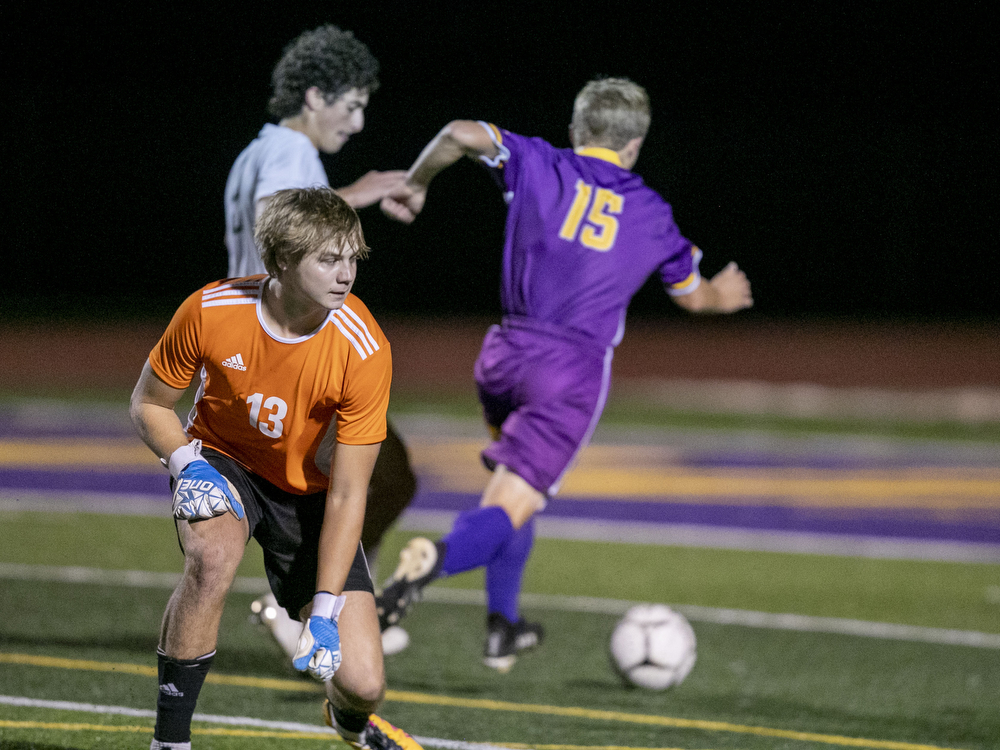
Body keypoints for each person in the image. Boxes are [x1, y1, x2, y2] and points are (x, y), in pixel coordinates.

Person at [377, 77, 754, 671]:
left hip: (502, 354)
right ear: (634, 146)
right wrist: (724, 296)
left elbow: (456, 134)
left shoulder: (537, 161)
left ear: (577, 130)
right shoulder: (653, 212)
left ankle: (503, 624)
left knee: (513, 494)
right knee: (515, 500)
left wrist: (417, 184)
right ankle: (431, 562)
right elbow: (692, 296)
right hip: (570, 371)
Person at [131, 187, 422, 750]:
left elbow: (347, 494)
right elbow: (148, 403)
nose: (346, 275)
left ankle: (347, 723)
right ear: (281, 261)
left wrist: (325, 612)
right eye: (328, 259)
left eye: (352, 259)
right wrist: (186, 462)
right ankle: (170, 742)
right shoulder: (211, 310)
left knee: (363, 683)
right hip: (223, 461)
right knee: (211, 558)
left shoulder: (364, 348)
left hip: (312, 496)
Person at [224, 23, 416, 657]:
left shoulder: (262, 148)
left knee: (381, 475)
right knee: (370, 476)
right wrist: (368, 188)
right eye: (351, 105)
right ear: (314, 97)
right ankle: (311, 609)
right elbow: (279, 219)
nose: (357, 123)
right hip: (283, 355)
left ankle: (331, 605)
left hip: (261, 354)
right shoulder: (287, 152)